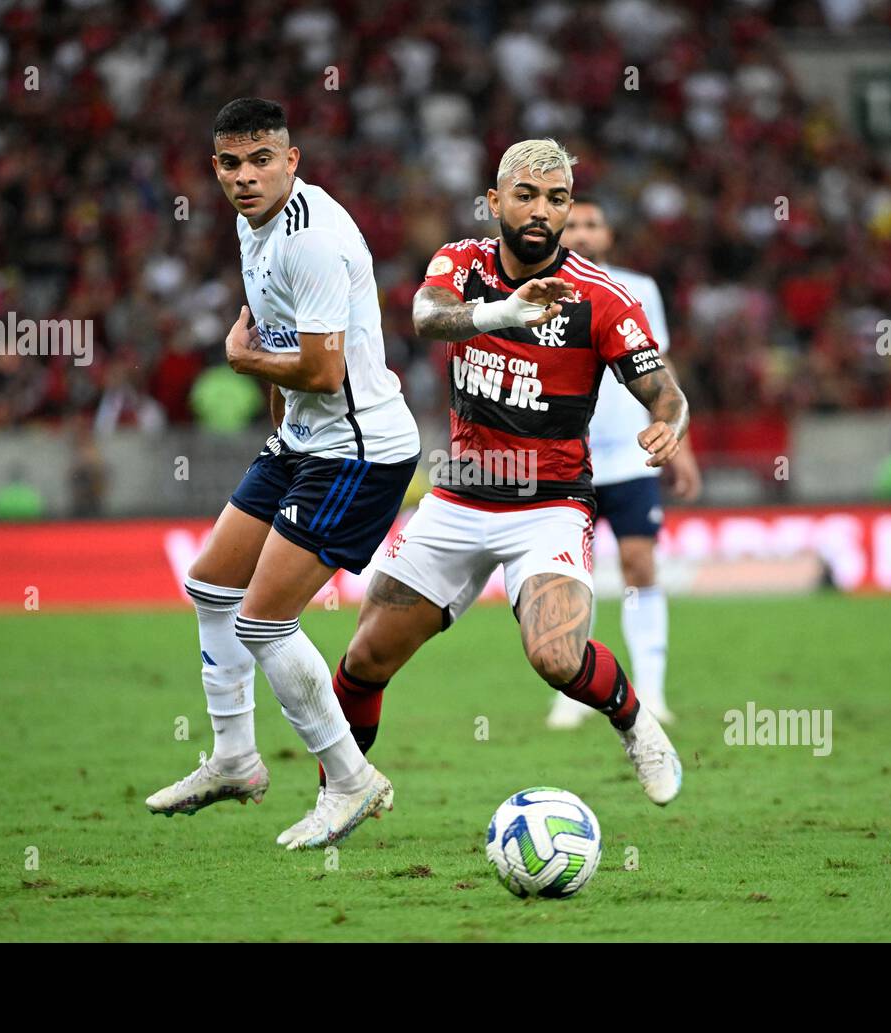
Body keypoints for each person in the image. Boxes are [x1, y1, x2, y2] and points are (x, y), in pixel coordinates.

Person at [276, 139, 688, 846]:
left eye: (556, 198)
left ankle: (634, 721)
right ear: (495, 202)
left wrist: (668, 424)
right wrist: (506, 311)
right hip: (459, 499)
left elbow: (665, 390)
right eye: (525, 195)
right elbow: (428, 317)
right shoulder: (462, 261)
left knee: (557, 657)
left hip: (550, 505)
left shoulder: (602, 297)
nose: (541, 210)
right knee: (365, 661)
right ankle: (341, 793)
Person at [144, 99, 421, 852]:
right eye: (231, 163)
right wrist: (279, 420)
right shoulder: (251, 222)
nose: (245, 176)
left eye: (261, 159)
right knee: (209, 585)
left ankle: (351, 780)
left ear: (291, 161)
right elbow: (277, 329)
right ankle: (235, 758)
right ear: (216, 168)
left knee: (263, 621)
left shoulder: (313, 241)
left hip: (360, 451)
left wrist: (243, 363)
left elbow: (326, 369)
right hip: (305, 441)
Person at [546, 197, 701, 729]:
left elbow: (660, 368)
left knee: (639, 565)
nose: (585, 234)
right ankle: (572, 685)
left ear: (609, 235)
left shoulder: (639, 289)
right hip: (568, 458)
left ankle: (651, 689)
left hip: (632, 455)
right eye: (575, 226)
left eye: (595, 224)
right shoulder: (541, 293)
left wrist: (682, 443)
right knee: (570, 576)